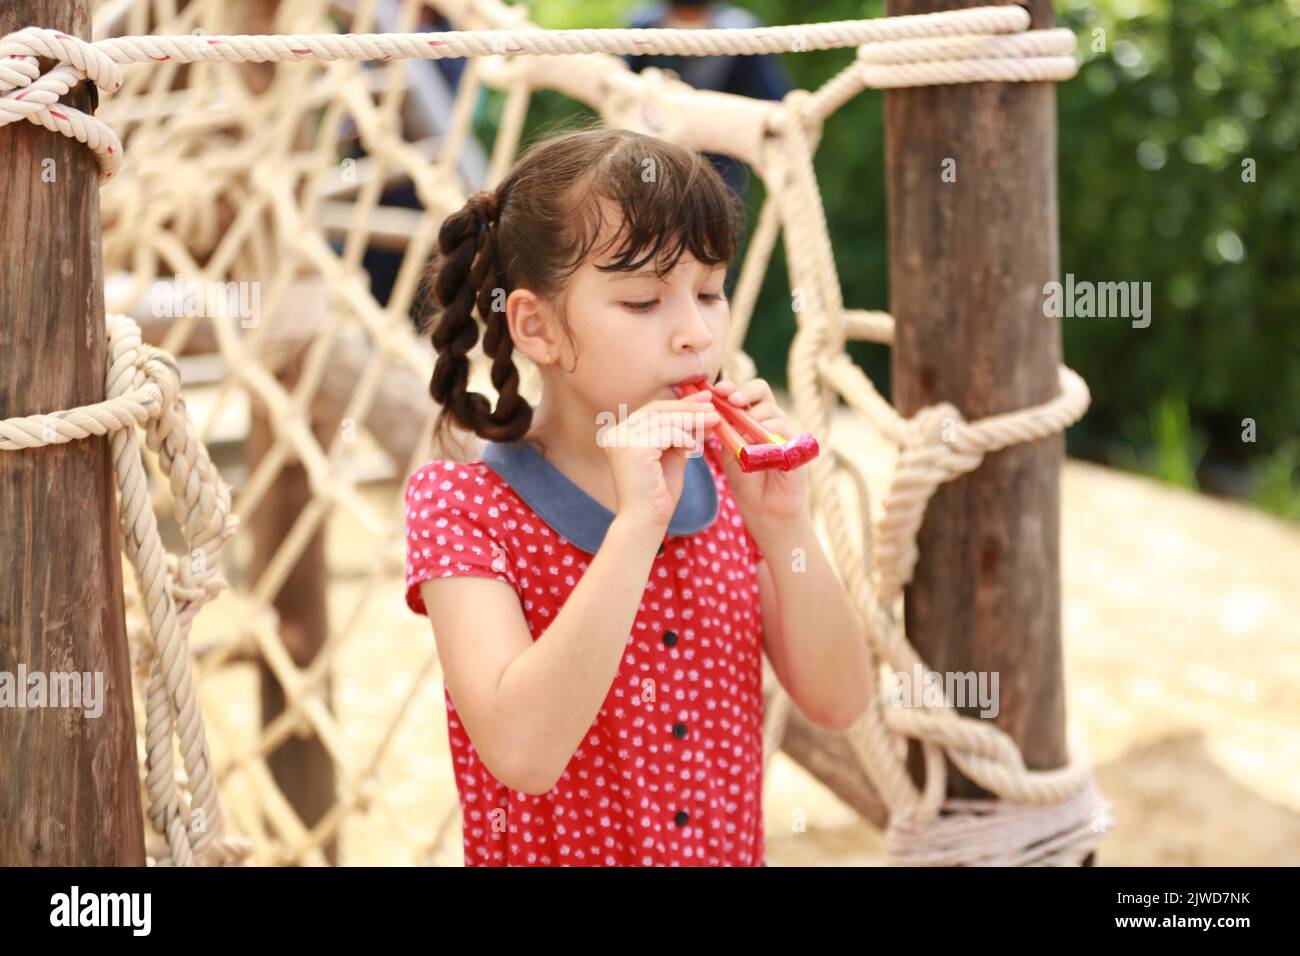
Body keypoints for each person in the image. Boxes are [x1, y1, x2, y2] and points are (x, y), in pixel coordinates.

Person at [404, 124, 871, 866]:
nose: (694, 333)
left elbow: (841, 700)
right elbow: (524, 752)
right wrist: (635, 528)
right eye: (644, 301)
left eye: (710, 292)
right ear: (537, 326)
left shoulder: (728, 485)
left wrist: (787, 531)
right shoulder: (463, 507)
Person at [622, 0, 797, 199]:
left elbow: (771, 93)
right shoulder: (644, 26)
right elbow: (625, 89)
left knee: (713, 217)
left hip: (717, 156)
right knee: (647, 212)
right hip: (653, 145)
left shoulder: (741, 31)